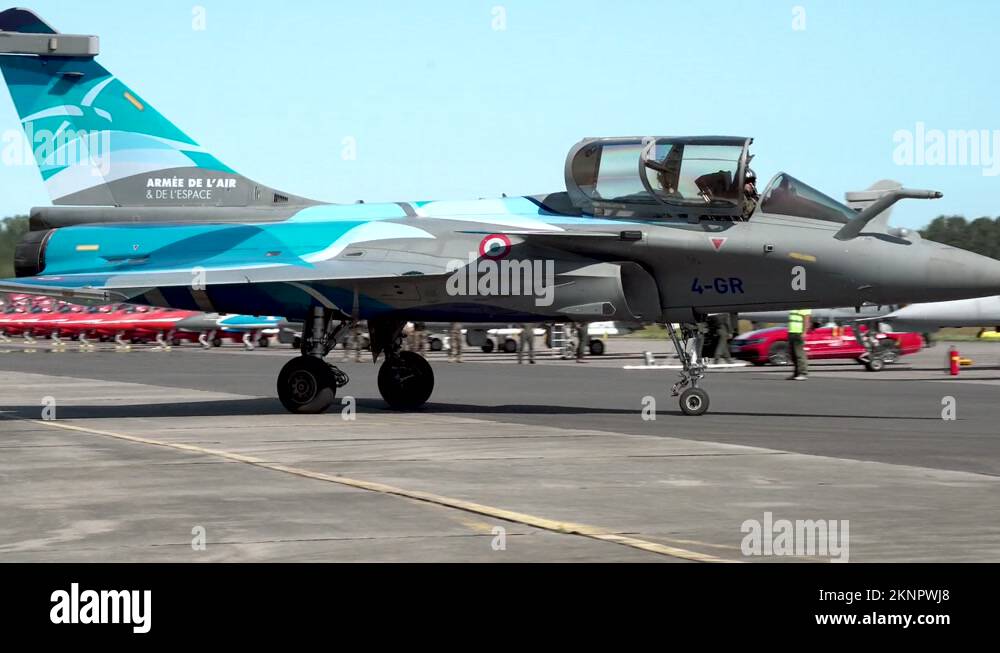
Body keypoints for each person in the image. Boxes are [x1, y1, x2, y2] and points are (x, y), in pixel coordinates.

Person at [787, 308, 812, 380]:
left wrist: (804, 332)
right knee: (793, 354)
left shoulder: (804, 306)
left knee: (799, 354)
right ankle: (796, 373)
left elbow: (806, 320)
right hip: (791, 332)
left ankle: (803, 373)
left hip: (798, 333)